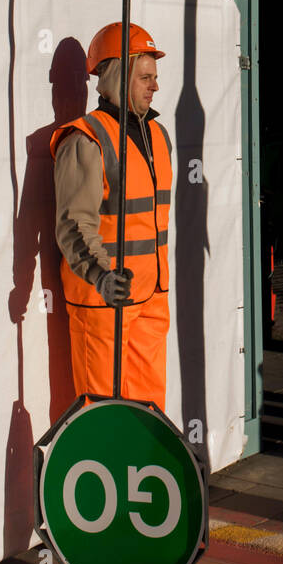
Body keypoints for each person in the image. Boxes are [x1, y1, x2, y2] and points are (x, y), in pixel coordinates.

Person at [49, 23, 173, 410]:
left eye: (155, 78)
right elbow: (74, 224)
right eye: (145, 77)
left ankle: (146, 470)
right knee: (99, 412)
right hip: (103, 302)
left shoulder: (158, 136)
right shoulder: (85, 140)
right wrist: (100, 276)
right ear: (117, 75)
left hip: (151, 298)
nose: (154, 87)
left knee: (149, 410)